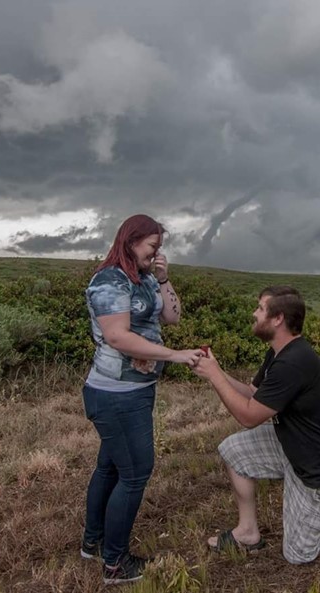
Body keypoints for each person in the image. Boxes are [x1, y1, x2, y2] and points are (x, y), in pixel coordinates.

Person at [190, 285, 320, 564]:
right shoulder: (279, 352)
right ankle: (247, 532)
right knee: (233, 450)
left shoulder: (294, 362)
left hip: (317, 466)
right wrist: (217, 371)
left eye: (260, 308)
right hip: (292, 444)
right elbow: (253, 394)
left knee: (298, 554)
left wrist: (215, 377)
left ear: (278, 318)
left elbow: (248, 417)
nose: (254, 313)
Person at [80, 214, 205, 585]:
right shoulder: (109, 280)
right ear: (131, 241)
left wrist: (163, 278)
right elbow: (117, 337)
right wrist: (174, 355)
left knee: (110, 468)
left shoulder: (146, 279)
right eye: (152, 246)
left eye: (159, 247)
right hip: (116, 393)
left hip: (135, 389)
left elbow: (172, 318)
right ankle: (116, 564)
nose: (156, 253)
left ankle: (93, 542)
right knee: (134, 474)